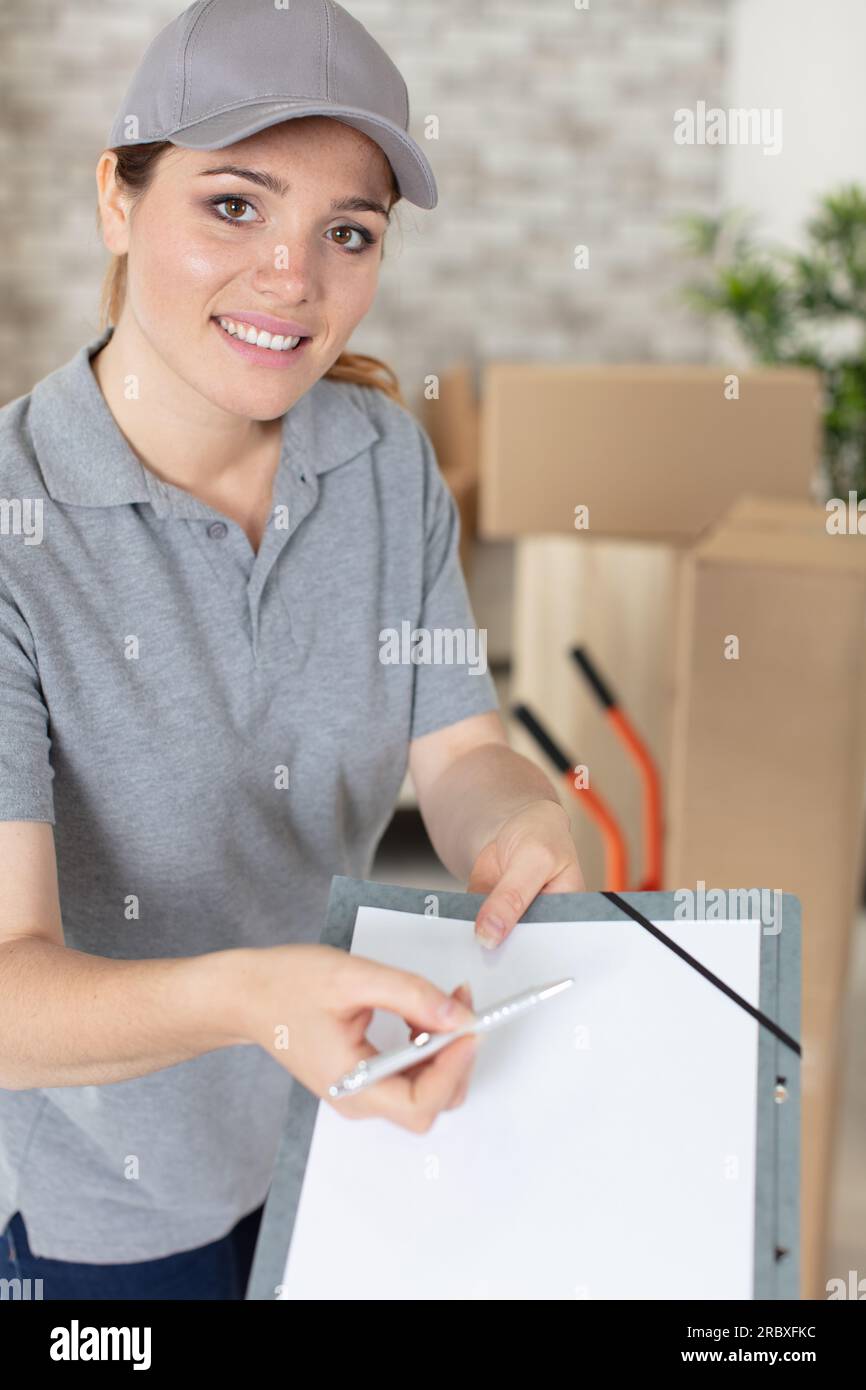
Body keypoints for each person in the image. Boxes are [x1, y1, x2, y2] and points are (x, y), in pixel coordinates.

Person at [0, 0, 584, 1299]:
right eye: (231, 205)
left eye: (348, 231)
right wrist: (258, 999)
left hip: (342, 1115)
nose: (291, 277)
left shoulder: (382, 462)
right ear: (115, 195)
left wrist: (517, 819)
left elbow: (463, 746)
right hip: (102, 1205)